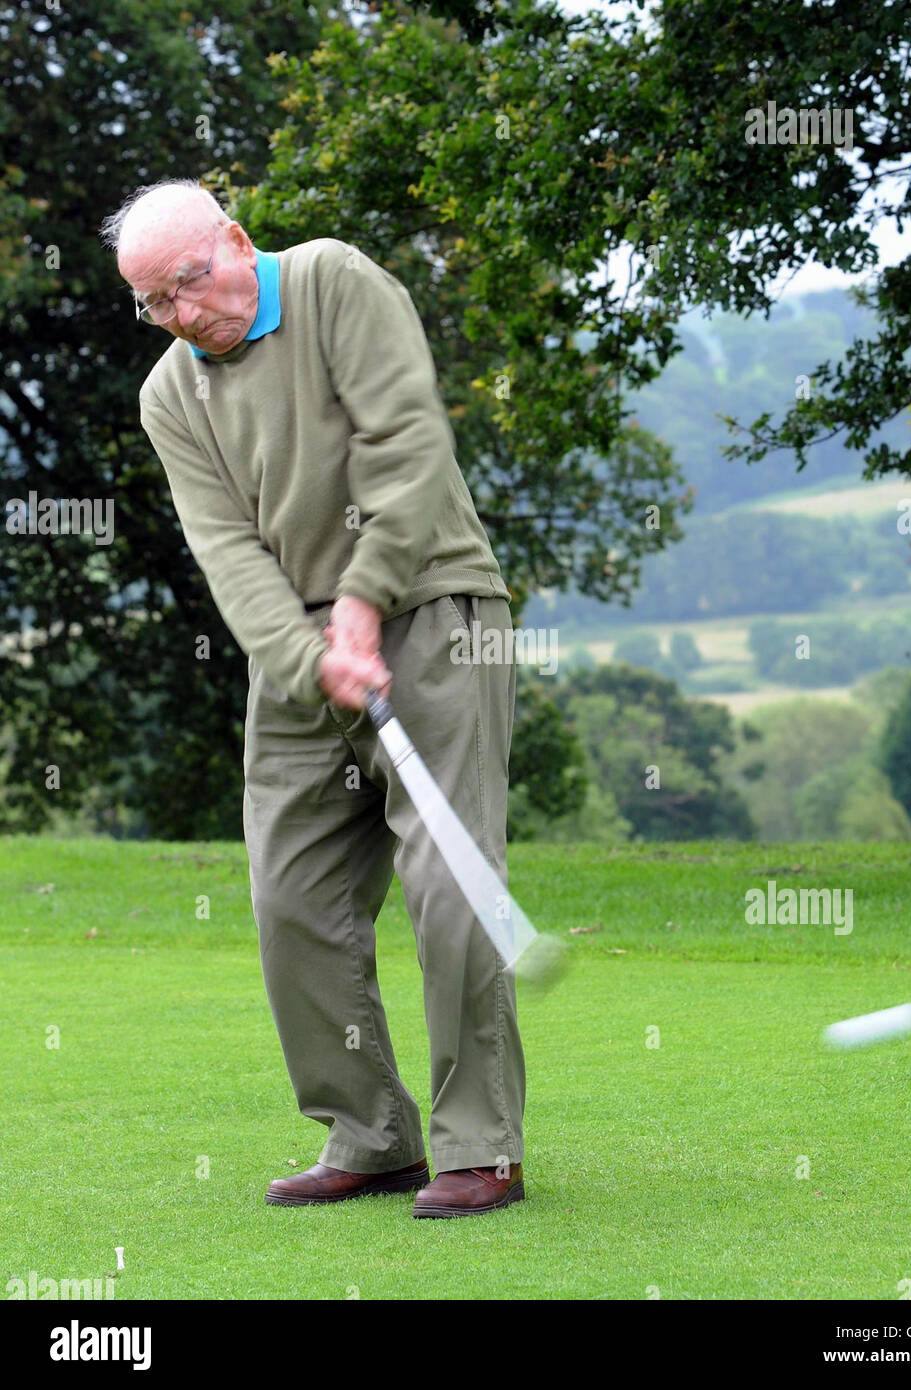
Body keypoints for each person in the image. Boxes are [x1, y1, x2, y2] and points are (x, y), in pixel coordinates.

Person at [100, 179, 526, 1218]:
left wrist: (365, 600)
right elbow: (227, 551)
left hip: (430, 606)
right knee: (290, 896)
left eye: (188, 286)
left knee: (447, 885)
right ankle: (372, 1134)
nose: (179, 317)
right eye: (153, 303)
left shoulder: (335, 282)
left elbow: (407, 448)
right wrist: (305, 652)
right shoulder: (171, 393)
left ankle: (481, 1143)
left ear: (236, 243)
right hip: (297, 655)